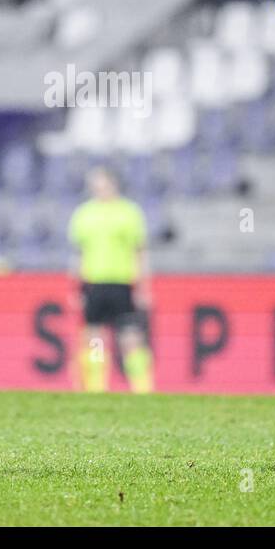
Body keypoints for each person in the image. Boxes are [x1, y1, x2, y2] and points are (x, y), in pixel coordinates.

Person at [67, 167, 154, 393]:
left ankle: (143, 388)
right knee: (94, 337)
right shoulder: (84, 213)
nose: (98, 188)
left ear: (113, 183)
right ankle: (97, 388)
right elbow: (78, 253)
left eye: (102, 182)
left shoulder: (129, 212)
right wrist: (75, 287)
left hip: (122, 283)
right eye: (95, 183)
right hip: (93, 283)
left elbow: (140, 252)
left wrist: (143, 287)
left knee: (130, 338)